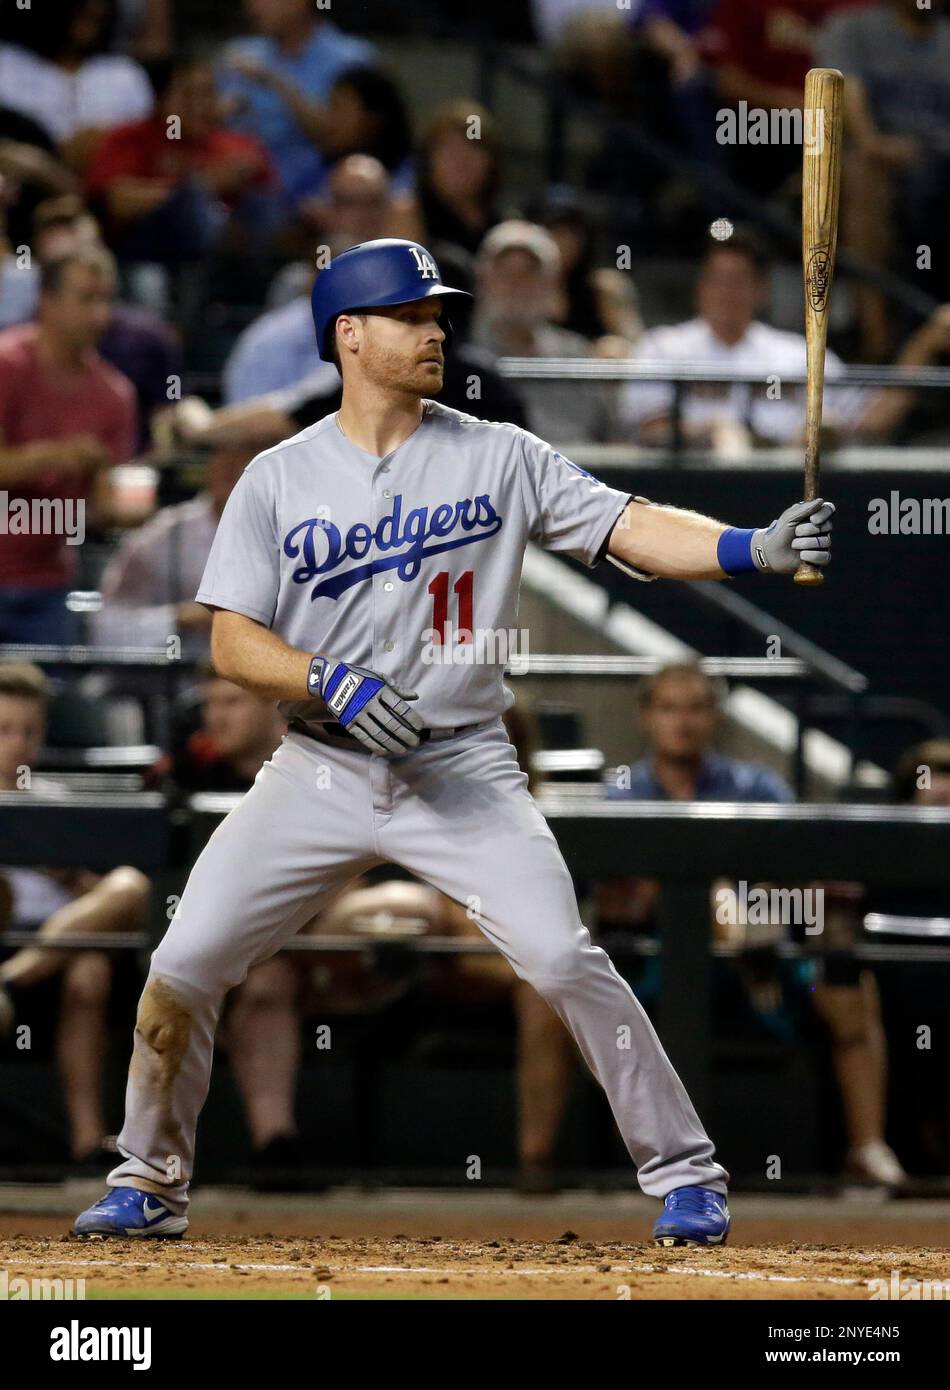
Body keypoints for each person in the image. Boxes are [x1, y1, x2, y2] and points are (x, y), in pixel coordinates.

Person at [73, 235, 836, 1247]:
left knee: (564, 959)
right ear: (348, 336)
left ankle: (685, 1172)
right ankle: (147, 1180)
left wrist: (748, 546)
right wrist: (323, 676)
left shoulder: (497, 452)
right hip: (319, 764)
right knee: (183, 962)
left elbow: (629, 524)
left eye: (438, 315)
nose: (435, 330)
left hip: (460, 760)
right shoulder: (276, 476)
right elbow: (228, 640)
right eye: (411, 316)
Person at [596, 662, 907, 1189]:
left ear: (713, 716)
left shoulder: (756, 785)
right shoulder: (622, 792)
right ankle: (606, 1163)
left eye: (696, 707)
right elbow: (618, 900)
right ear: (646, 717)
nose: (683, 722)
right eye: (669, 708)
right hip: (657, 972)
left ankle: (867, 1147)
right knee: (712, 896)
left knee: (845, 983)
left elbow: (797, 875)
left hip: (782, 968)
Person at [0, 661, 150, 1169]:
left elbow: (114, 901)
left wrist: (67, 872)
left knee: (126, 893)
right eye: (4, 730)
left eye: (29, 730)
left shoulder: (61, 803)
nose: (18, 743)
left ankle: (87, 1141)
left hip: (53, 952)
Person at [618, 229, 867, 450]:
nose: (727, 292)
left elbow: (858, 419)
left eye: (739, 280)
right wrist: (713, 430)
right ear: (700, 287)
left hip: (785, 476)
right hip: (691, 479)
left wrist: (812, 435)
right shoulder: (663, 346)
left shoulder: (798, 353)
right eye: (718, 279)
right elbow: (649, 429)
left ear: (761, 291)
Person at [0, 246, 136, 643]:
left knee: (48, 697)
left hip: (49, 581)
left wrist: (124, 509)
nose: (100, 314)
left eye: (105, 299)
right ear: (47, 300)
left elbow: (105, 507)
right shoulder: (7, 366)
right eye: (86, 298)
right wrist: (61, 456)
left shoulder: (115, 394)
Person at [816, 0, 950, 360]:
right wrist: (872, 143)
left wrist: (926, 152)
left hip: (939, 168)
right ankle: (877, 341)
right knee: (862, 174)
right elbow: (842, 97)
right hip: (873, 165)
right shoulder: (853, 29)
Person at [222, 154, 398, 405]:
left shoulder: (416, 277)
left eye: (372, 202)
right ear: (329, 208)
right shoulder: (294, 292)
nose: (361, 214)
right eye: (348, 202)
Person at [84, 55, 277, 271]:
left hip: (230, 262)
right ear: (162, 99)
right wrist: (197, 187)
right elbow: (116, 201)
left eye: (208, 94)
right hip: (146, 259)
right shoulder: (134, 137)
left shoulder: (236, 143)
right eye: (189, 95)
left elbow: (271, 205)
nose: (201, 105)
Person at [92, 443, 256, 659]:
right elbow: (106, 629)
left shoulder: (292, 534)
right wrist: (178, 618)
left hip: (258, 675)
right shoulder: (163, 536)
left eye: (248, 455)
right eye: (221, 456)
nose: (233, 467)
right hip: (171, 674)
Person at [469, 219, 614, 444]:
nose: (516, 283)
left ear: (552, 285)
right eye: (504, 272)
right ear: (482, 281)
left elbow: (608, 438)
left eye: (530, 273)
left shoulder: (577, 356)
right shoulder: (456, 357)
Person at [218, 0, 376, 206]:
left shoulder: (352, 60)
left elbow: (338, 136)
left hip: (325, 199)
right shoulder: (239, 54)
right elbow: (211, 126)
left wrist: (275, 81)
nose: (253, 8)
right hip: (244, 197)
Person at [0, 0, 153, 173]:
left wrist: (102, 140)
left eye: (96, 17)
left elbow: (147, 142)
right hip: (25, 182)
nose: (87, 26)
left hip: (107, 181)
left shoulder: (125, 74)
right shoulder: (8, 64)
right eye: (81, 13)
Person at [414, 101, 505, 259]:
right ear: (429, 160)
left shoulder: (503, 227)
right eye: (450, 149)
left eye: (473, 147)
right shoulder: (411, 217)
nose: (462, 160)